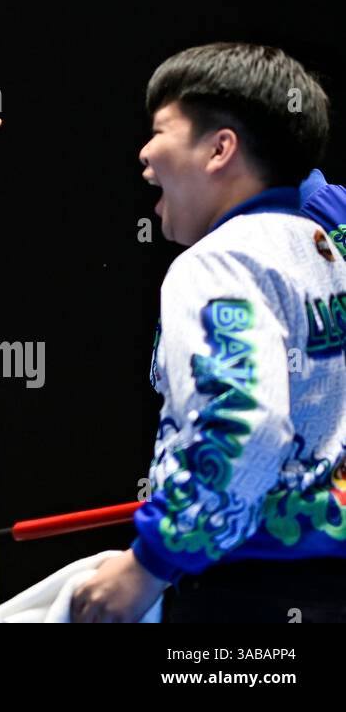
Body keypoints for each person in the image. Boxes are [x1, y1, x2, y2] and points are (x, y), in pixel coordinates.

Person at [72, 42, 346, 623]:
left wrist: (152, 561)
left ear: (221, 148)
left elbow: (245, 420)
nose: (145, 155)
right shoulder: (329, 251)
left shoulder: (220, 262)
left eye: (160, 130)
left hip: (247, 591)